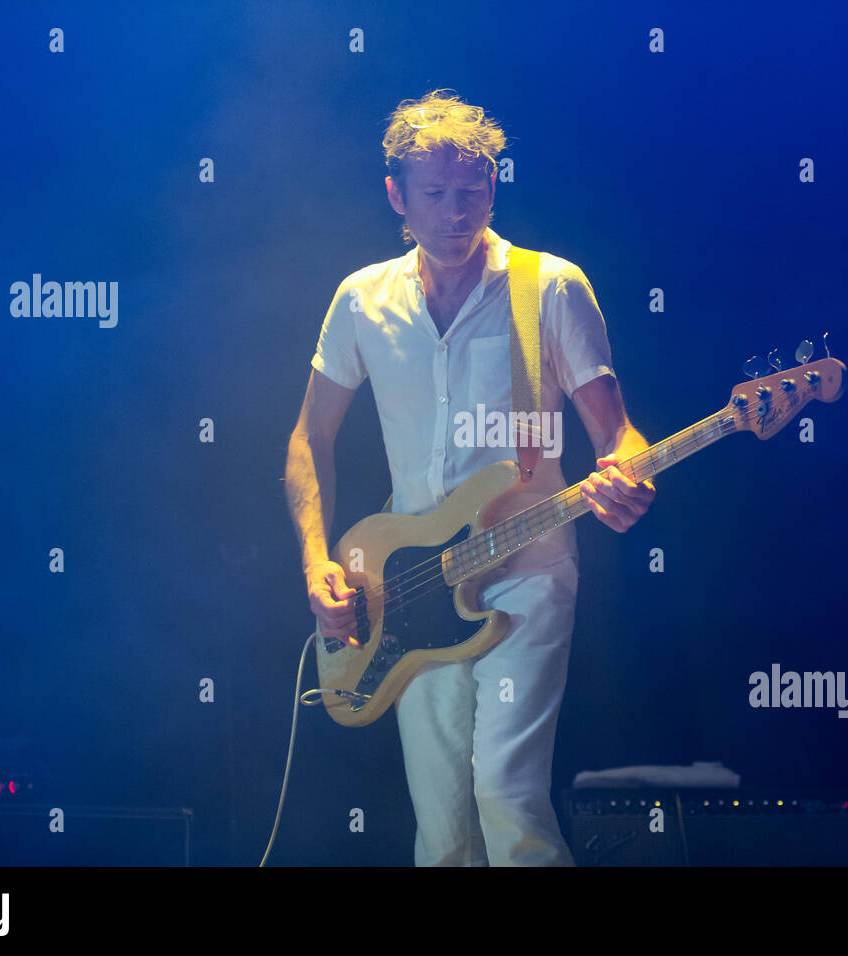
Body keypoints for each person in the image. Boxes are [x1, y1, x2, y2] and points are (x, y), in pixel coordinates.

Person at [284, 90, 655, 865]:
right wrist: (318, 561)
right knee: (445, 831)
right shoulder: (362, 299)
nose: (459, 213)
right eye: (437, 196)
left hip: (529, 572)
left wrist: (627, 476)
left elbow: (616, 434)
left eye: (474, 192)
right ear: (396, 197)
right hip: (411, 587)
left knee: (506, 796)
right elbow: (307, 438)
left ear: (494, 184)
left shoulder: (550, 287)